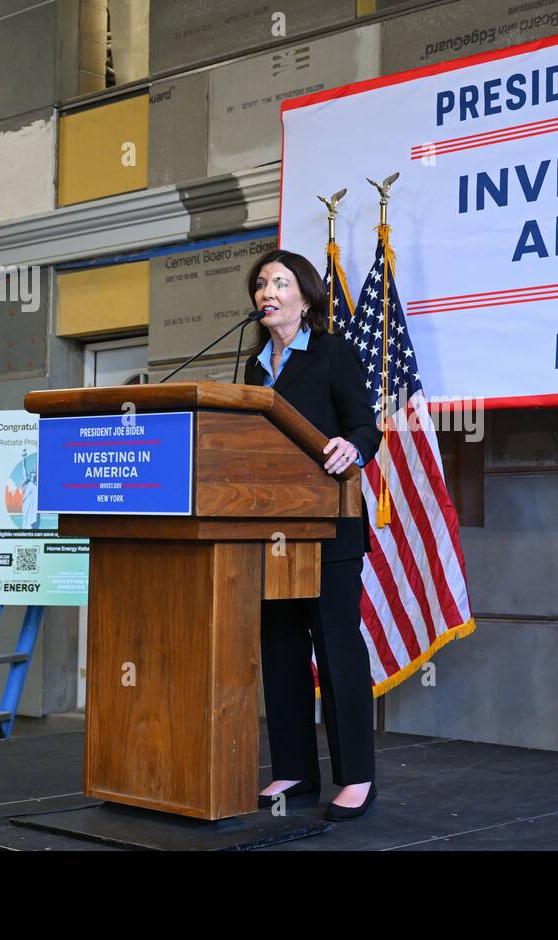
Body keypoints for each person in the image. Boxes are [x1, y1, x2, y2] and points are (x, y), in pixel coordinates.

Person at [242, 249, 382, 821]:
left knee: (337, 650)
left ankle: (356, 778)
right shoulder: (253, 367)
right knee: (280, 651)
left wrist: (355, 448)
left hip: (331, 526)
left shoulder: (332, 353)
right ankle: (296, 771)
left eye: (279, 282)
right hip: (270, 531)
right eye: (260, 284)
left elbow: (363, 426)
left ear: (305, 295)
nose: (266, 292)